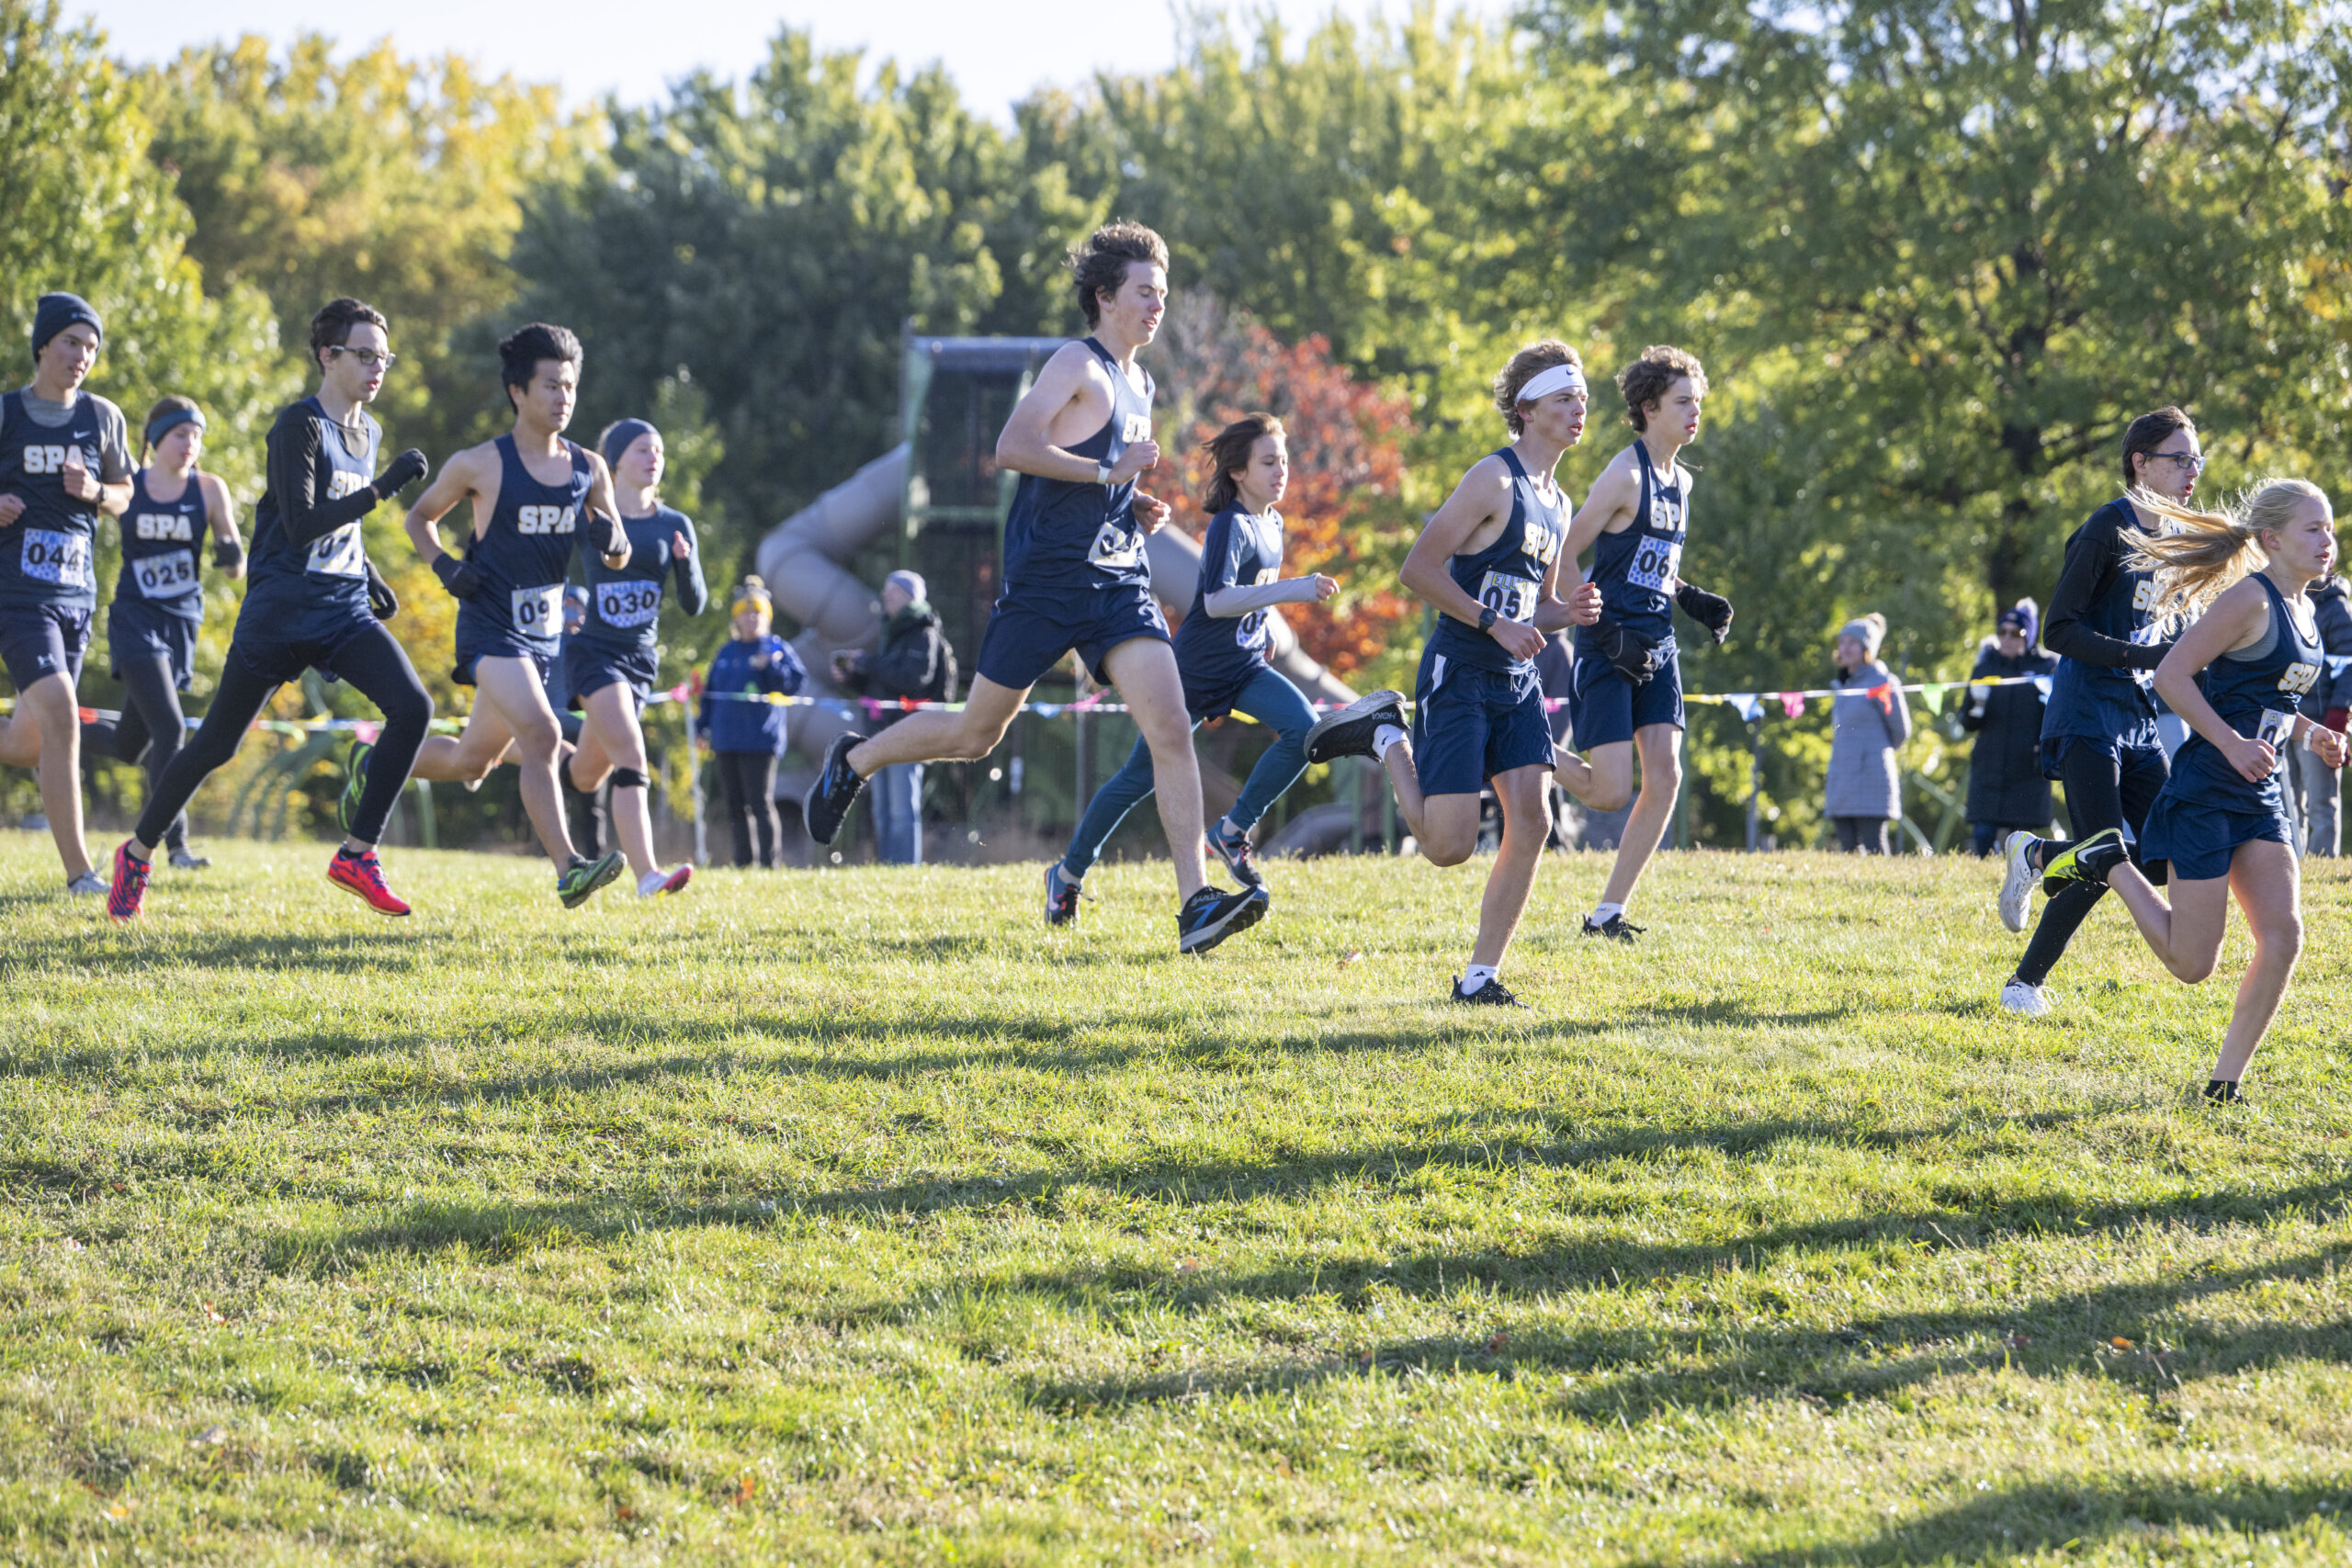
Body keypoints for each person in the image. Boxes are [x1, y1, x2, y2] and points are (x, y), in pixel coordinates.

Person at [800, 220, 1265, 953]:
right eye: (1145, 292)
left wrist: (1128, 504)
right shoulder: (1075, 364)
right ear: (1105, 297)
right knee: (974, 735)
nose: (1158, 306)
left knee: (1171, 726)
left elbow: (1097, 480)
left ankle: (1195, 903)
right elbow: (1013, 446)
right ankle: (854, 760)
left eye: (1163, 293)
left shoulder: (1141, 383)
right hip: (1046, 586)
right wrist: (1107, 473)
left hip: (1117, 584)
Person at [106, 298, 433, 919]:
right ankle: (138, 853)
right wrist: (384, 488)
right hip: (280, 612)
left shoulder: (369, 431)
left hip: (341, 609)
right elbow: (303, 523)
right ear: (328, 356)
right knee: (215, 745)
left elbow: (341, 524)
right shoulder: (297, 426)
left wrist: (368, 572)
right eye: (365, 355)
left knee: (414, 707)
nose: (377, 368)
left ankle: (357, 854)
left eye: (384, 358)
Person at [1304, 340, 1603, 1006]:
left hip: (1516, 681)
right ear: (1527, 410)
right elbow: (1417, 570)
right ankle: (1386, 735)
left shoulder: (1559, 502)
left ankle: (1480, 978)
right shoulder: (1493, 479)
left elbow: (1533, 609)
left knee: (1533, 821)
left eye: (1582, 398)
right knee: (1447, 846)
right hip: (1460, 670)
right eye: (1565, 397)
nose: (1579, 409)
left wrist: (1570, 612)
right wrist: (1493, 623)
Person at [2030, 479, 2346, 1103]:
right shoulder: (2248, 599)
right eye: (2313, 529)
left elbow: (2267, 702)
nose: (2327, 540)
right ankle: (2108, 860)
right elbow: (2173, 676)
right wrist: (2230, 744)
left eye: (2330, 528)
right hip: (2206, 790)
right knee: (2191, 963)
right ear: (2271, 538)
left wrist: (2312, 735)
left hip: (2258, 795)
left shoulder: (2308, 610)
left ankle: (2225, 1086)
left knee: (2283, 936)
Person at [1045, 414, 1334, 918]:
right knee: (1136, 780)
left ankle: (1232, 831)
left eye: (1284, 461)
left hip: (1244, 669)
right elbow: (1218, 600)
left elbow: (1252, 596)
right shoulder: (1230, 524)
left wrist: (1263, 630)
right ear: (1239, 472)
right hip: (1195, 674)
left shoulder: (1273, 522)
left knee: (1306, 732)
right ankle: (1067, 873)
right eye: (1268, 462)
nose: (1281, 472)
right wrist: (1298, 589)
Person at [396, 322, 631, 908]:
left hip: (543, 637)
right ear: (517, 392)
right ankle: (569, 868)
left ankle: (375, 763)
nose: (563, 398)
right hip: (490, 626)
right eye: (551, 386)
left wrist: (611, 541)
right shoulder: (480, 464)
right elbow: (418, 518)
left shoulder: (589, 468)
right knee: (543, 734)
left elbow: (620, 552)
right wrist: (445, 568)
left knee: (471, 761)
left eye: (570, 387)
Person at [1994, 408, 2201, 1014]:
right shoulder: (2105, 528)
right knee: (2107, 853)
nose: (2192, 470)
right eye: (2179, 458)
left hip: (2138, 717)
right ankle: (2022, 986)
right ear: (2141, 463)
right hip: (2085, 714)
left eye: (2196, 459)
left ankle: (2036, 854)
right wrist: (2142, 655)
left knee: (2163, 856)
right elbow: (2057, 629)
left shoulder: (2177, 536)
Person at [1550, 345, 1735, 940]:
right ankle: (1518, 745)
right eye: (1683, 402)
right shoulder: (1625, 474)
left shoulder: (1683, 481)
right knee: (1609, 791)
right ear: (1649, 407)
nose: (1694, 412)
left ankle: (1608, 913)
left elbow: (1651, 563)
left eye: (1698, 402)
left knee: (1667, 776)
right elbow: (1563, 556)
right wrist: (1601, 630)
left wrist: (1690, 596)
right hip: (1609, 646)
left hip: (1658, 644)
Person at [0, 293, 134, 894]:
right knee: (62, 714)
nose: (82, 355)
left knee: (28, 743)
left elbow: (126, 494)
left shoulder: (103, 416)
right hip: (16, 595)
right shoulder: (7, 414)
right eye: (71, 342)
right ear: (43, 347)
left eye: (91, 347)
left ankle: (78, 869)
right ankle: (81, 873)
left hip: (76, 597)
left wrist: (95, 492)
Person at [83, 396, 243, 870]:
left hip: (181, 624)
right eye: (180, 434)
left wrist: (230, 554)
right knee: (171, 728)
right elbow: (84, 511)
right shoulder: (129, 486)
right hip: (135, 619)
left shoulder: (209, 488)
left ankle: (61, 730)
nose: (190, 443)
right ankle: (176, 848)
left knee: (130, 746)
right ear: (156, 440)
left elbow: (236, 565)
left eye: (196, 435)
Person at [557, 418, 705, 897]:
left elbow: (694, 604)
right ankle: (648, 875)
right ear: (616, 460)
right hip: (594, 654)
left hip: (640, 662)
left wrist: (684, 563)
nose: (654, 457)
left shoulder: (674, 523)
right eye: (643, 449)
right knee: (632, 754)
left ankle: (523, 750)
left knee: (584, 775)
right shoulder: (588, 512)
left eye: (659, 450)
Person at [831, 568, 956, 867]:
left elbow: (913, 679)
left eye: (893, 591)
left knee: (902, 810)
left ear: (910, 596)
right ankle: (887, 868)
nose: (885, 596)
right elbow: (882, 685)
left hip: (909, 734)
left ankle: (906, 869)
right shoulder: (891, 633)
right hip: (881, 733)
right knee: (882, 810)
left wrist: (868, 663)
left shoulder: (924, 635)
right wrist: (853, 676)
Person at [702, 578, 803, 867]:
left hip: (761, 740)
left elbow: (794, 684)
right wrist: (701, 727)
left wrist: (771, 665)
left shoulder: (776, 648)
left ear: (766, 617)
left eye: (757, 613)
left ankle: (770, 863)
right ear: (736, 618)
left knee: (760, 802)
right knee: (735, 805)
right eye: (746, 613)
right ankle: (743, 863)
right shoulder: (726, 652)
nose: (751, 619)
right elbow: (710, 693)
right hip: (726, 739)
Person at [1961, 600, 2058, 854]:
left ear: (2029, 636)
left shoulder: (2046, 668)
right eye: (2002, 632)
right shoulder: (1985, 666)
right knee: (1982, 834)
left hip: (2027, 769)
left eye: (2016, 633)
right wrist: (1976, 706)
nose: (2007, 638)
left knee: (2020, 842)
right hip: (1989, 767)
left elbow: (2057, 721)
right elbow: (1967, 723)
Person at [1824, 613, 1912, 852]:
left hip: (1872, 777)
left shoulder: (1882, 682)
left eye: (1852, 642)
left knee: (1874, 846)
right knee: (1847, 848)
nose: (1845, 648)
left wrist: (1871, 753)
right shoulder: (1843, 685)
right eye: (1842, 642)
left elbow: (1901, 730)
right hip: (1842, 777)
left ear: (1867, 648)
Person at [2289, 572, 2350, 855]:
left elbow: (2349, 664)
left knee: (2320, 803)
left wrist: (2339, 714)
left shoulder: (2335, 606)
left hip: (2321, 720)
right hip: (2284, 717)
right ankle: (2293, 863)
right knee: (2287, 802)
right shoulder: (2283, 599)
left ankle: (2323, 861)